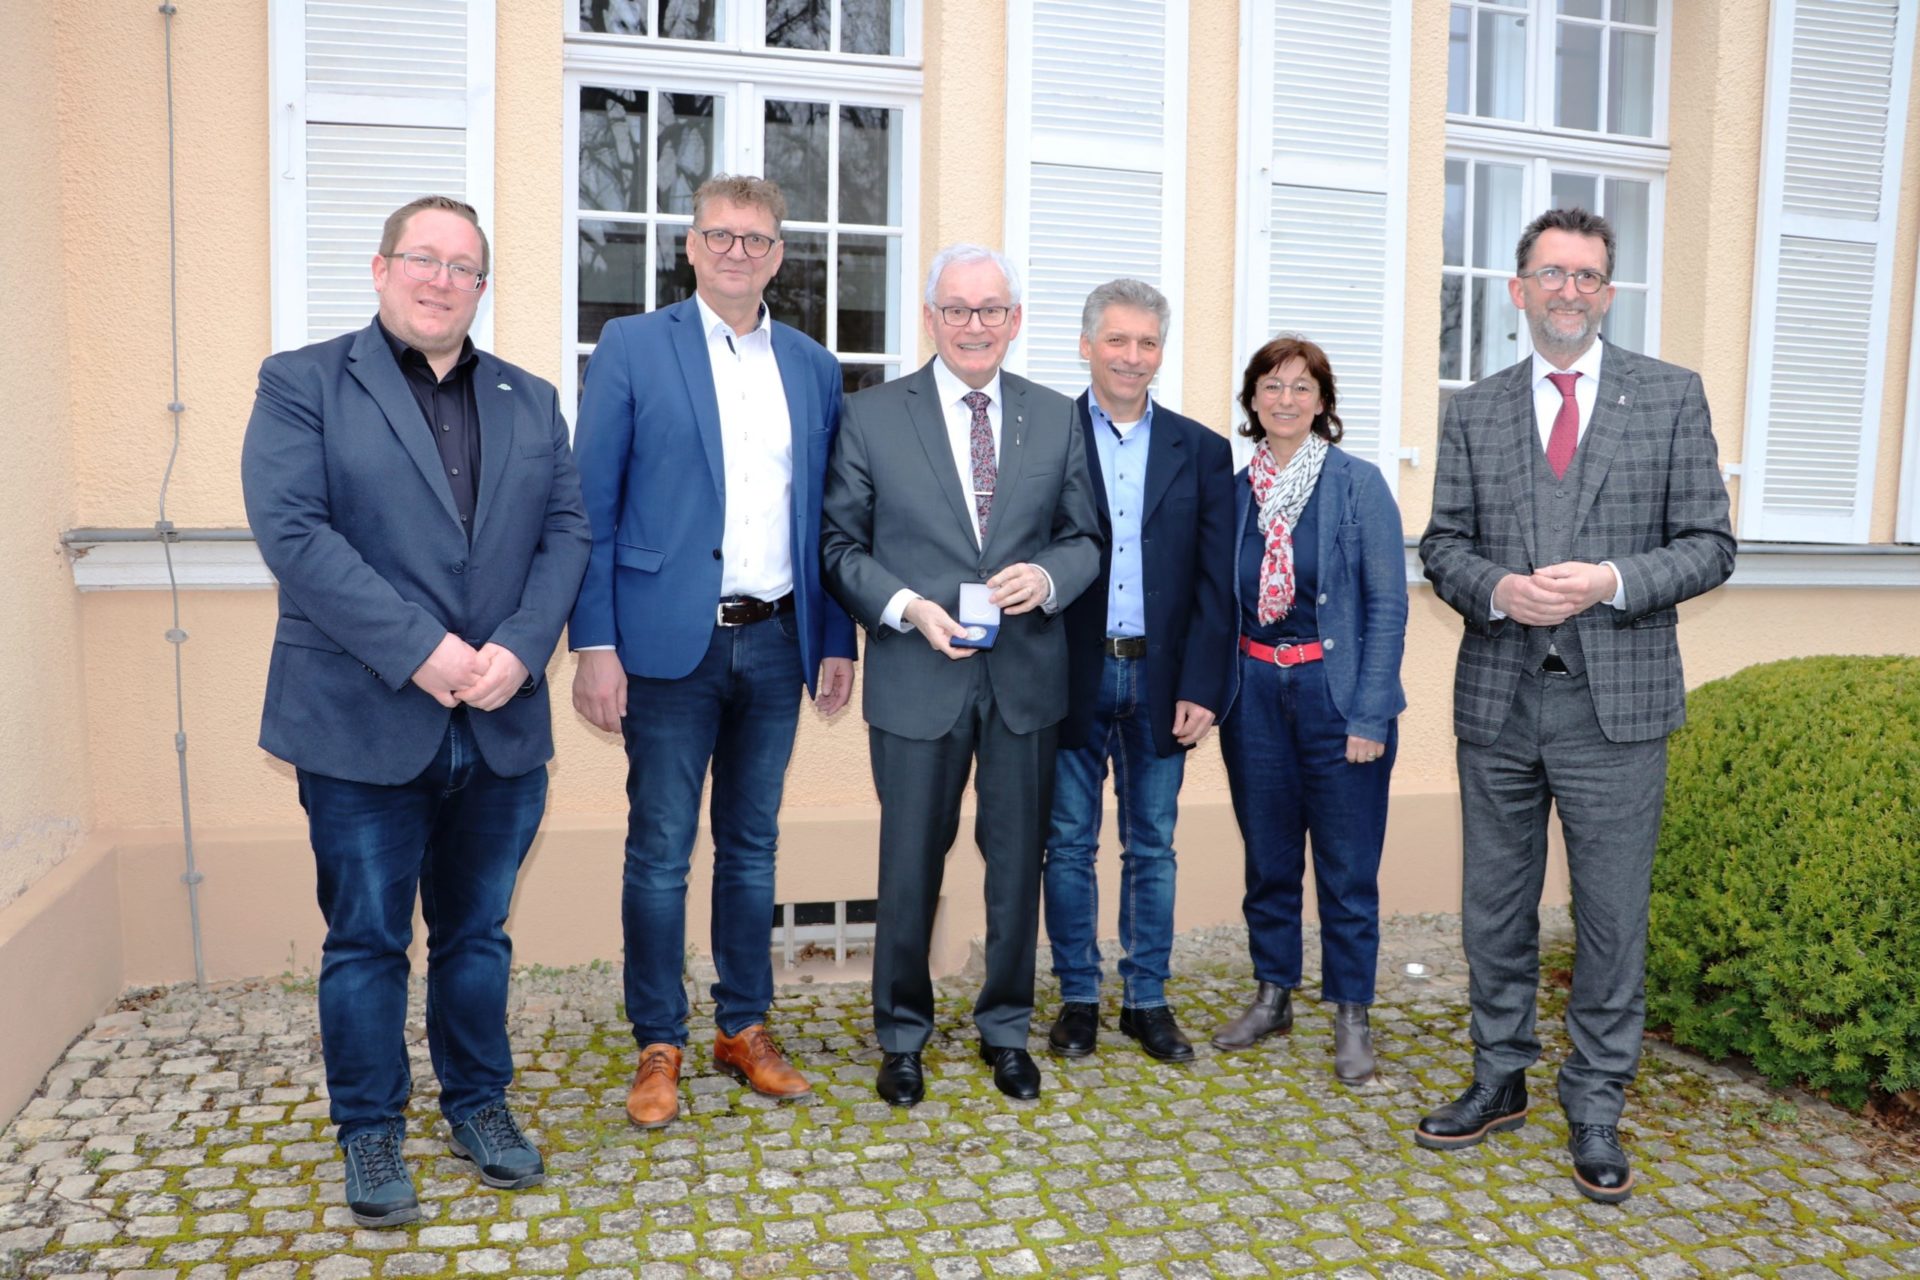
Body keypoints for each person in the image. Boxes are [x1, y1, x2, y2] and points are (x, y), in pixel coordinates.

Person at [241, 196, 591, 1227]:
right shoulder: (302, 383)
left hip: (499, 720)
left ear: (484, 286)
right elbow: (296, 535)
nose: (441, 279)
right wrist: (424, 652)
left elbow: (565, 534)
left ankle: (478, 1102)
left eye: (463, 266)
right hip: (361, 717)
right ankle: (370, 1123)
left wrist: (519, 651)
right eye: (423, 259)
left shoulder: (531, 400)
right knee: (366, 938)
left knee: (478, 934)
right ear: (382, 266)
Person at [1417, 207, 1735, 1204]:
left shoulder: (1670, 398)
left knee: (1610, 915)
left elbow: (1710, 544)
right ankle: (1499, 1073)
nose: (1568, 290)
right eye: (1550, 273)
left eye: (1587, 275)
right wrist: (1496, 590)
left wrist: (1609, 576)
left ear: (1608, 292)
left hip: (1620, 709)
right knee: (1494, 909)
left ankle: (1595, 1099)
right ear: (1518, 289)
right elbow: (1443, 544)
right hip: (1501, 698)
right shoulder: (1474, 408)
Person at [568, 174, 856, 1131]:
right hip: (663, 647)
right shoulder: (633, 347)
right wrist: (595, 644)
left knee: (753, 847)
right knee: (658, 849)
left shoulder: (814, 367)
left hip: (776, 642)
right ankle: (660, 1041)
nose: (738, 251)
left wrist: (836, 636)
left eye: (758, 239)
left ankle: (743, 1027)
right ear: (688, 247)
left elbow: (830, 520)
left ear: (780, 254)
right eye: (720, 236)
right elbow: (590, 507)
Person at [821, 244, 1102, 1106]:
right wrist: (907, 606)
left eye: (990, 310)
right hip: (916, 672)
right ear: (931, 317)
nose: (974, 326)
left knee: (1018, 863)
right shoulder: (870, 416)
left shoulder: (1057, 418)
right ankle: (902, 1035)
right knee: (909, 864)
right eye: (957, 309)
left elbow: (1086, 538)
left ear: (1014, 320)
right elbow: (839, 547)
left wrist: (1048, 578)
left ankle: (1007, 1030)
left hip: (1024, 678)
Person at [1041, 278, 1235, 1063]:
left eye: (1146, 342)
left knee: (1152, 845)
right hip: (1066, 676)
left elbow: (1216, 585)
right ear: (1086, 346)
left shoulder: (1203, 449)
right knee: (1068, 844)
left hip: (1161, 682)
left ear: (1161, 351)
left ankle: (1146, 999)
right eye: (1116, 340)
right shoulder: (1044, 435)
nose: (1131, 356)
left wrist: (1204, 687)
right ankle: (1079, 998)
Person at [1210, 336, 1408, 1087]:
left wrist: (1368, 716)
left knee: (1348, 868)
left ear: (1322, 403)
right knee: (1268, 860)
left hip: (1338, 696)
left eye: (1301, 387)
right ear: (1253, 399)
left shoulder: (1358, 486)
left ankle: (1352, 1014)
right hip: (1255, 695)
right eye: (1272, 385)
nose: (1285, 399)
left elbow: (1387, 609)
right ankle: (1273, 994)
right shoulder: (1234, 494)